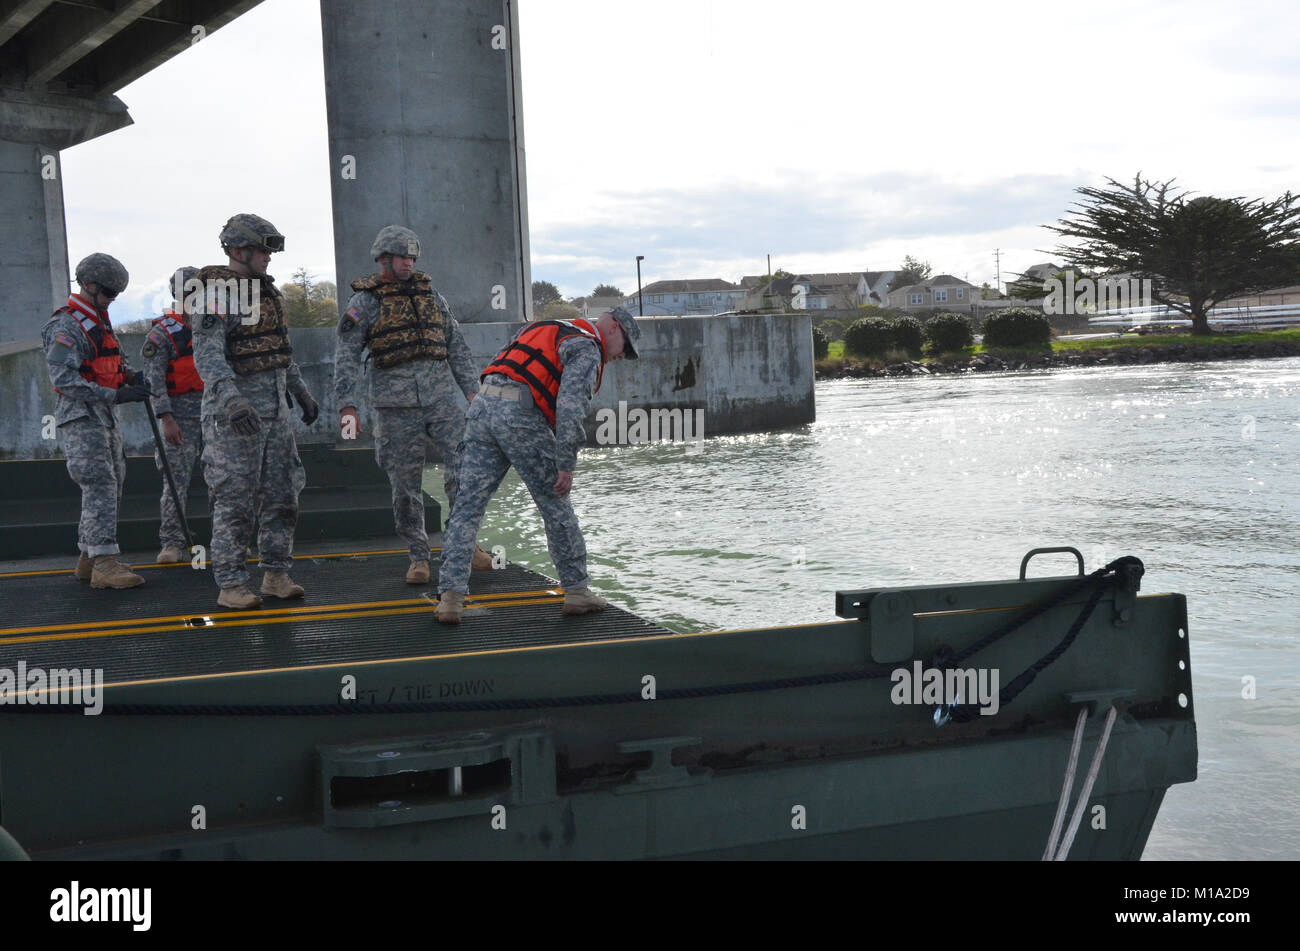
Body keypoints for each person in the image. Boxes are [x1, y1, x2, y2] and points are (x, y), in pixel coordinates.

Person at [436, 306, 641, 623]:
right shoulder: (588, 347)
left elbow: (507, 364)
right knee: (555, 501)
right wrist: (566, 463)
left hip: (481, 408)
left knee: (467, 507)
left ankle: (450, 598)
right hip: (519, 415)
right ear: (613, 328)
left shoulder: (545, 327)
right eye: (625, 348)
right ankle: (576, 591)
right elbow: (570, 406)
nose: (621, 357)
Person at [335, 225, 493, 584]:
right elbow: (345, 355)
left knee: (465, 469)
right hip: (394, 407)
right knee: (405, 485)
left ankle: (465, 544)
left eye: (412, 257)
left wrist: (472, 392)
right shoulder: (364, 302)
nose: (409, 263)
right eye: (402, 257)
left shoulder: (432, 296)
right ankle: (418, 556)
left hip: (441, 402)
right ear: (384, 259)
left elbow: (456, 345)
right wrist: (348, 406)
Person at [193, 214, 319, 610]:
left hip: (275, 413)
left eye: (269, 250)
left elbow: (281, 353)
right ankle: (230, 584)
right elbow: (208, 356)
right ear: (237, 250)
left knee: (284, 494)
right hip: (236, 417)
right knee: (235, 499)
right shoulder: (215, 294)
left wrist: (300, 393)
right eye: (262, 250)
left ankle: (276, 574)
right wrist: (232, 401)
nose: (268, 257)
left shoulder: (268, 294)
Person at [42, 252, 151, 589]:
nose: (111, 301)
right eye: (107, 294)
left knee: (111, 484)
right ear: (87, 285)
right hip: (82, 418)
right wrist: (114, 395)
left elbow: (108, 364)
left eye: (115, 296)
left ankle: (89, 560)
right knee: (100, 485)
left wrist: (130, 377)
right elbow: (63, 380)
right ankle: (104, 563)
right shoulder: (65, 325)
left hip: (104, 417)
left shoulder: (98, 322)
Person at [142, 266, 203, 564]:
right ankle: (172, 543)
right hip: (179, 417)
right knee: (175, 481)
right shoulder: (162, 333)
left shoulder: (214, 325)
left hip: (214, 413)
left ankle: (229, 540)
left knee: (225, 480)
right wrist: (166, 418)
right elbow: (153, 380)